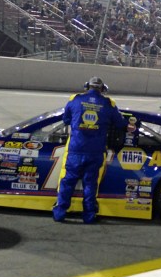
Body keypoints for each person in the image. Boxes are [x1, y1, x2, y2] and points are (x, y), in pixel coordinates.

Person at [53, 77, 127, 224]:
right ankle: (89, 215)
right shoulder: (108, 104)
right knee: (90, 184)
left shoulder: (75, 99)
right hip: (96, 151)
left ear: (87, 86)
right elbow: (120, 123)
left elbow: (66, 119)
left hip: (75, 149)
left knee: (67, 182)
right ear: (103, 89)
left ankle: (59, 213)